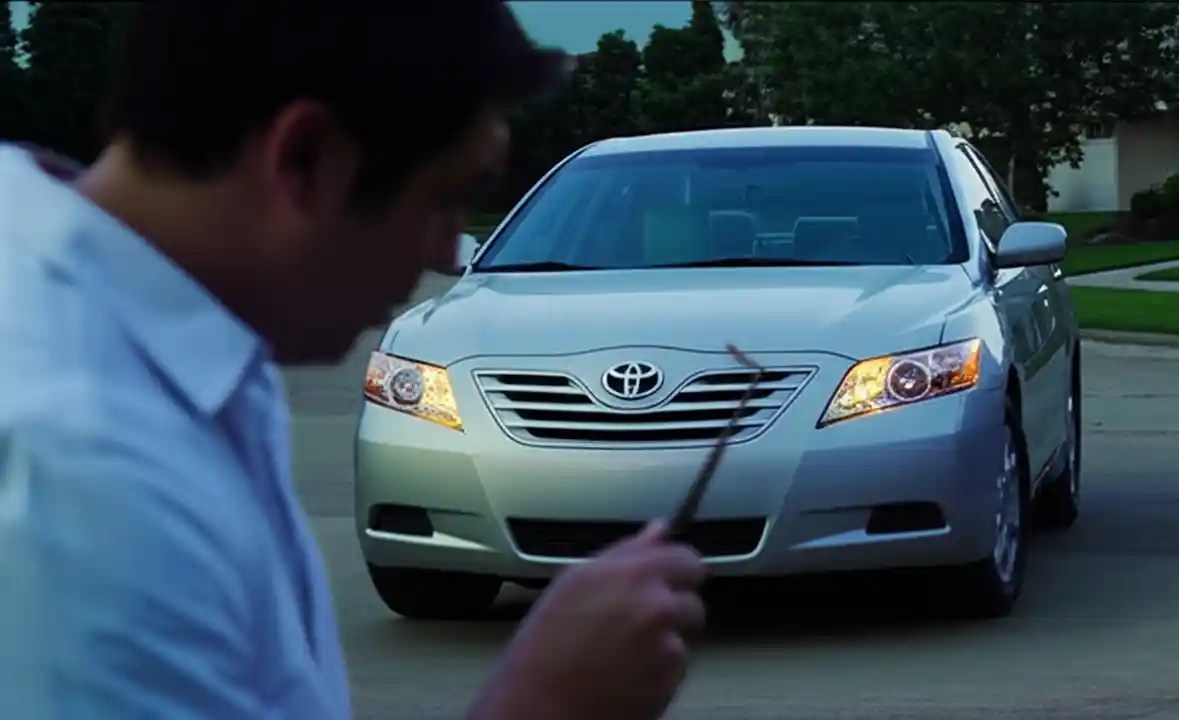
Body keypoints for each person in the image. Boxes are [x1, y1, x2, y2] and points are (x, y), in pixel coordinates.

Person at [0, 3, 707, 719]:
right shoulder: (85, 477)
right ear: (305, 158)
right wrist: (546, 701)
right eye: (446, 198)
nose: (443, 254)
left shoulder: (149, 331)